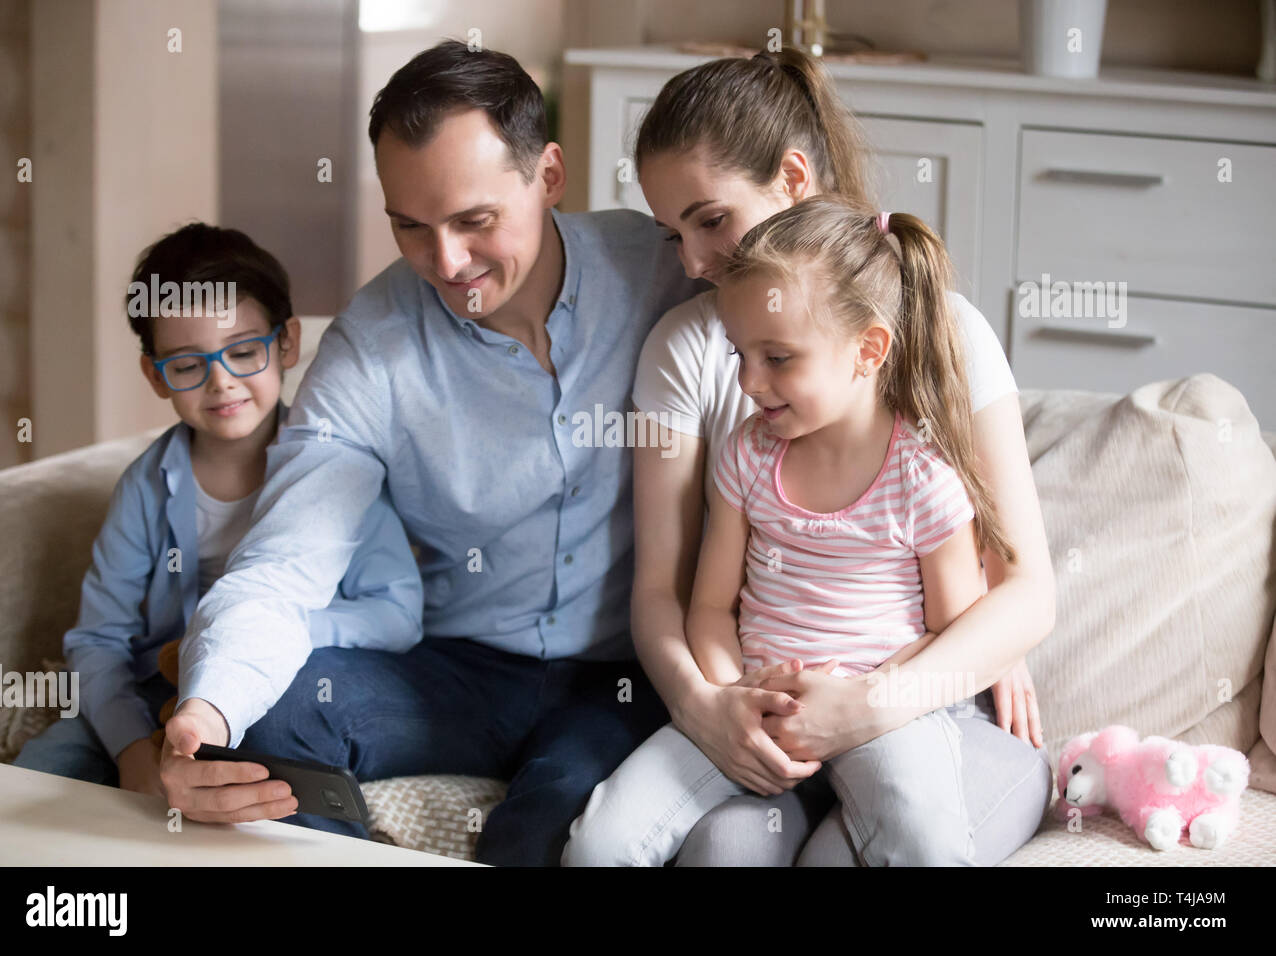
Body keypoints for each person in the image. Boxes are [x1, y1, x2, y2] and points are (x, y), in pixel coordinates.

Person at [156, 41, 704, 866]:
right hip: (456, 670)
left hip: (625, 674)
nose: (446, 263)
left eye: (474, 221)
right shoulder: (370, 347)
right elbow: (282, 564)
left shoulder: (665, 271)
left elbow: (823, 314)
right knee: (269, 718)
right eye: (410, 226)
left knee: (548, 825)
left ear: (549, 176)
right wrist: (204, 713)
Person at [622, 48, 1055, 865]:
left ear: (793, 177)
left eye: (709, 220)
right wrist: (706, 706)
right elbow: (663, 589)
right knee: (718, 850)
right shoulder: (684, 350)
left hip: (915, 698)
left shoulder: (948, 330)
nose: (691, 262)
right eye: (672, 232)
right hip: (758, 702)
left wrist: (877, 702)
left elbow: (1023, 588)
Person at [568, 197, 1020, 865]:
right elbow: (712, 607)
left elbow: (952, 633)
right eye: (739, 354)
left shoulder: (923, 478)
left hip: (881, 714)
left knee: (927, 843)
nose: (750, 382)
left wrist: (856, 701)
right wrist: (729, 701)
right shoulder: (747, 457)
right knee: (598, 844)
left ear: (867, 349)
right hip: (754, 702)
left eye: (777, 357)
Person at [13, 224, 422, 803]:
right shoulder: (145, 488)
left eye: (244, 351)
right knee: (34, 776)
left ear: (286, 344)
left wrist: (269, 633)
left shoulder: (334, 473)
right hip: (154, 688)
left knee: (255, 788)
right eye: (187, 365)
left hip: (279, 683)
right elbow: (98, 640)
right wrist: (132, 751)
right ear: (156, 376)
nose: (221, 381)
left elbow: (398, 614)